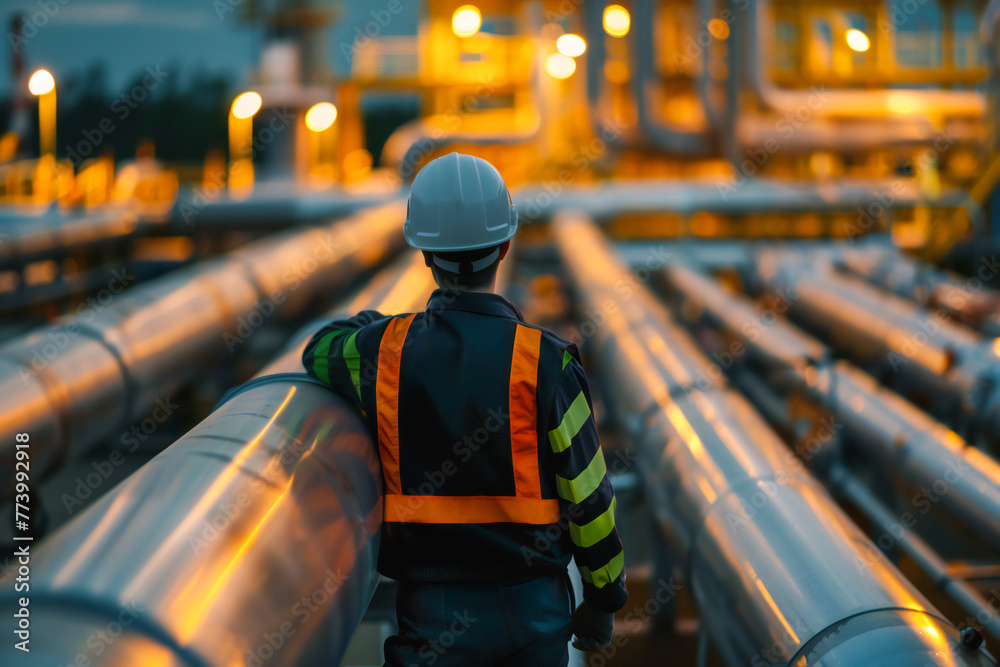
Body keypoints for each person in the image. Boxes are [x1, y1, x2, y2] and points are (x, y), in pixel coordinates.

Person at [303, 152, 627, 666]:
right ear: (504, 246)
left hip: (430, 618)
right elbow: (590, 499)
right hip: (533, 618)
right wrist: (604, 599)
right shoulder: (547, 362)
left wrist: (370, 323)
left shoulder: (384, 350)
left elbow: (318, 350)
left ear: (424, 254)